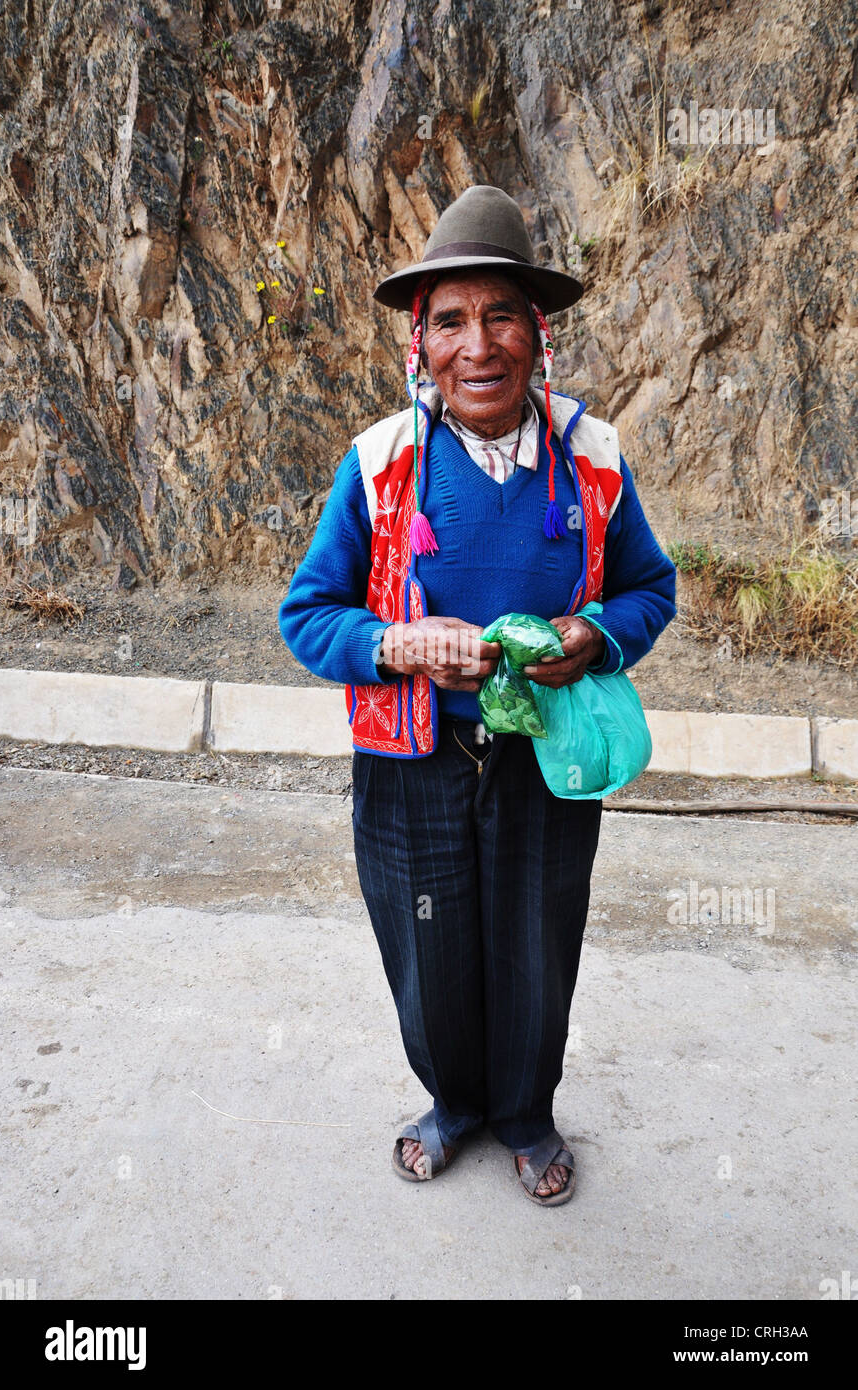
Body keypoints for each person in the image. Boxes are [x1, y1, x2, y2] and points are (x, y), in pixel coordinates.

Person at [278, 185, 676, 1205]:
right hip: (413, 763)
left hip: (545, 759)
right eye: (450, 319)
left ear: (536, 334)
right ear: (421, 343)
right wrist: (398, 642)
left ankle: (526, 1112)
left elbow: (648, 588)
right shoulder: (378, 466)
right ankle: (452, 1101)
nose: (478, 344)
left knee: (537, 942)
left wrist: (594, 634)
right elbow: (308, 615)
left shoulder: (589, 457)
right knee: (427, 941)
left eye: (500, 314)